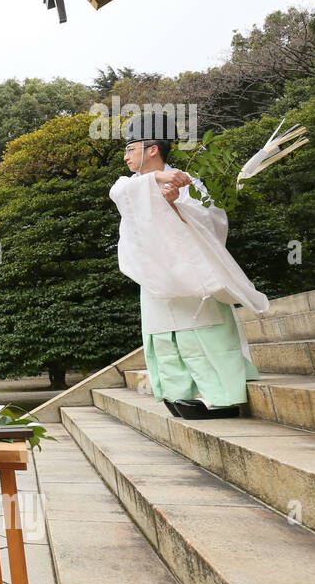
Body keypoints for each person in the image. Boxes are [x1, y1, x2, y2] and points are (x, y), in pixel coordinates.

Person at [110, 112, 269, 419]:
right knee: (163, 339)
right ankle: (176, 396)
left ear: (152, 148)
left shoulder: (189, 183)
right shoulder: (132, 186)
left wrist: (175, 204)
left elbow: (213, 224)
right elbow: (119, 192)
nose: (126, 155)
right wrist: (157, 180)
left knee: (203, 334)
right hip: (157, 276)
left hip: (191, 276)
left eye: (131, 148)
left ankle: (224, 398)